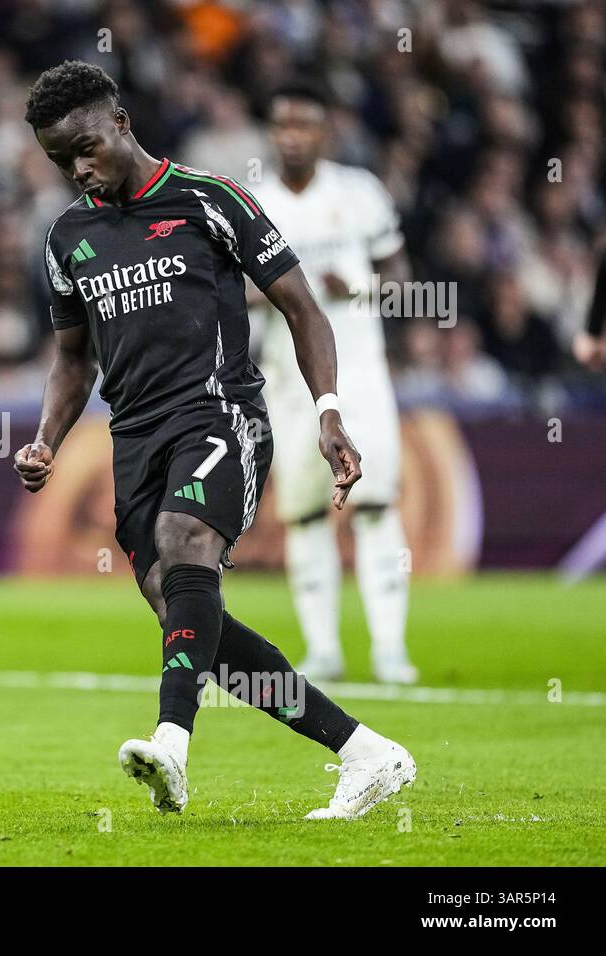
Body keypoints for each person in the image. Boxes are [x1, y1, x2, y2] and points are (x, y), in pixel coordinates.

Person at [13, 61, 415, 818]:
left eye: (87, 147)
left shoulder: (211, 200)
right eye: (59, 159)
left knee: (184, 537)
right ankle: (368, 752)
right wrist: (46, 442)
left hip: (221, 412)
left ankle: (171, 742)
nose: (78, 169)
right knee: (186, 616)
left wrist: (328, 408)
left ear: (122, 123)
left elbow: (302, 308)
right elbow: (73, 357)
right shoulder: (68, 237)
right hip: (133, 437)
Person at [251, 80, 417, 684]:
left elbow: (400, 272)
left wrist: (364, 287)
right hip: (288, 379)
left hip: (362, 372)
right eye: (283, 125)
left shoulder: (360, 193)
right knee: (302, 513)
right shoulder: (254, 202)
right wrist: (265, 292)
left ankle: (390, 648)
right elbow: (229, 288)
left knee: (374, 505)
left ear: (325, 132)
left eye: (304, 125)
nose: (292, 136)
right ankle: (323, 649)